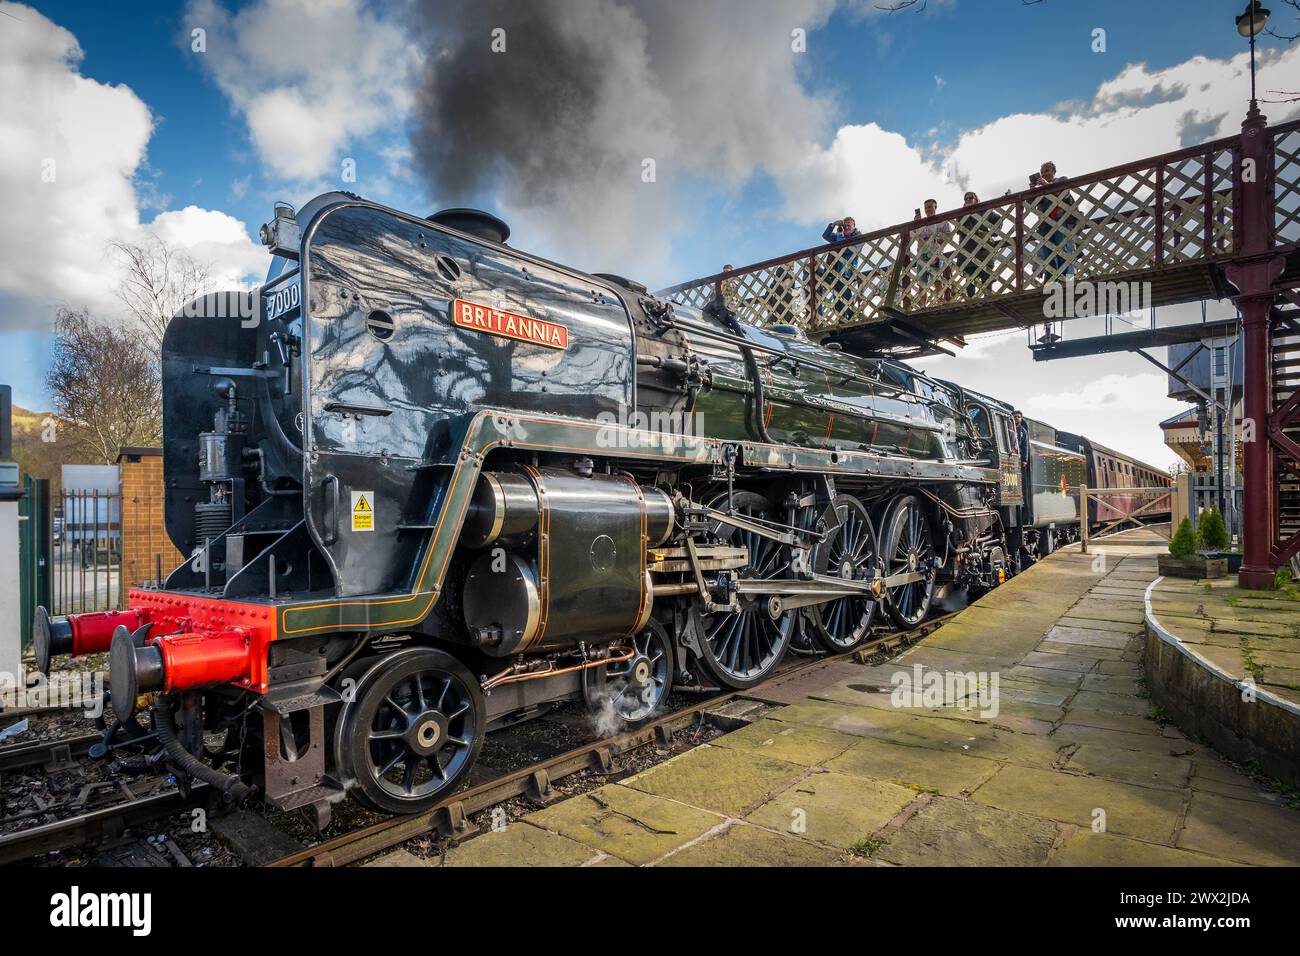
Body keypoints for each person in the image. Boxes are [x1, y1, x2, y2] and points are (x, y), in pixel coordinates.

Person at [1031, 162, 1077, 279]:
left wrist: (1047, 185)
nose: (1043, 174)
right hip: (1046, 224)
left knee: (1063, 250)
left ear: (1053, 171)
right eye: (1042, 172)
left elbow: (1063, 194)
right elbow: (1032, 204)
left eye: (1046, 171)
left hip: (1061, 221)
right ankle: (1051, 279)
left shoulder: (1061, 179)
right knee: (1048, 253)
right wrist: (1032, 192)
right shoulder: (1040, 189)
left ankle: (1065, 278)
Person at [956, 191, 1000, 298]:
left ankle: (988, 299)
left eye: (971, 197)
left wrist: (992, 232)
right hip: (967, 252)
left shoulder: (984, 211)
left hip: (983, 251)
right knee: (970, 280)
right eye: (966, 199)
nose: (968, 200)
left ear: (976, 199)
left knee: (986, 278)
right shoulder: (961, 215)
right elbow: (958, 230)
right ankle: (971, 300)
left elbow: (998, 219)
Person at [820, 217, 862, 322]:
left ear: (854, 226)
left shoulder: (858, 236)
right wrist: (833, 225)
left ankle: (851, 317)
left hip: (847, 270)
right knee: (836, 295)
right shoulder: (839, 236)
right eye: (845, 225)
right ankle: (841, 319)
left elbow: (848, 250)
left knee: (846, 294)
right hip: (833, 269)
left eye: (849, 225)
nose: (846, 227)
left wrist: (839, 237)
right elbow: (825, 236)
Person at [912, 199, 952, 307]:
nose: (928, 209)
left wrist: (938, 240)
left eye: (930, 207)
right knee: (921, 280)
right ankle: (922, 305)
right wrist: (915, 224)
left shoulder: (942, 221)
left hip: (935, 253)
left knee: (937, 278)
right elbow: (913, 235)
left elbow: (949, 235)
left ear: (935, 207)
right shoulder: (921, 222)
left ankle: (941, 302)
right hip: (922, 253)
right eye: (926, 207)